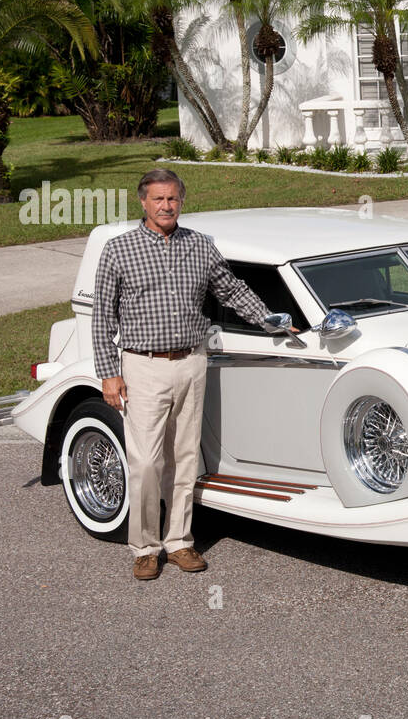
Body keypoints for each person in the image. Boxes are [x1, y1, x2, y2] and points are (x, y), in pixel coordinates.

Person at [92, 168, 297, 580]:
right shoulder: (119, 250)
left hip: (192, 362)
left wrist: (272, 321)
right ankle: (146, 548)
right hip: (142, 365)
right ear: (143, 203)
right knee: (147, 462)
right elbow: (102, 315)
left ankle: (180, 542)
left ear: (181, 202)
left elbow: (232, 290)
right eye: (158, 199)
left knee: (185, 458)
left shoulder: (201, 246)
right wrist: (109, 374)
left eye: (172, 199)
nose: (166, 206)